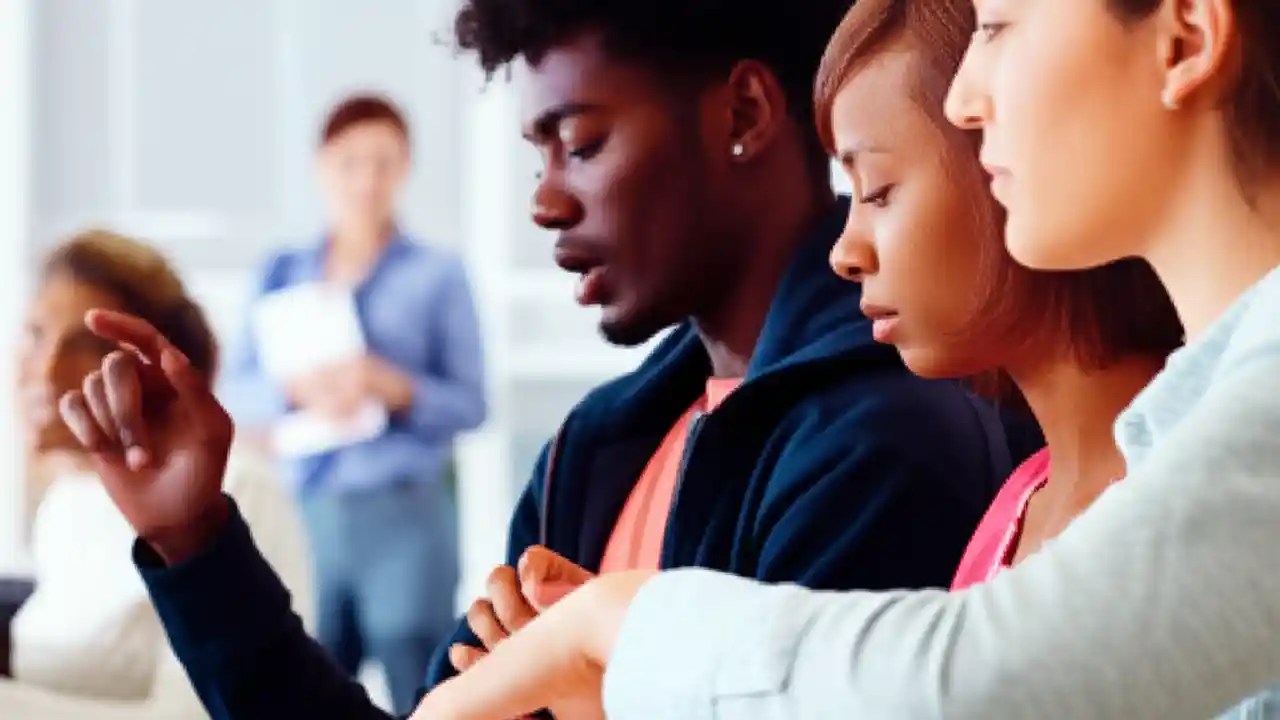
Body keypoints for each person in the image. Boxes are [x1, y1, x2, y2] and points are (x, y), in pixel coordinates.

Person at [49, 1, 1037, 718]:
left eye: (582, 143)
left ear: (741, 115)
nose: (546, 201)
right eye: (537, 156)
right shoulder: (601, 443)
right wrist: (195, 539)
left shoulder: (885, 440)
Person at [402, 0, 1280, 717]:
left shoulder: (893, 436)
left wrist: (608, 629)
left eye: (1002, 24)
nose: (969, 101)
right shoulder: (1172, 435)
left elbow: (983, 679)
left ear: (1186, 37)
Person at [219, 93, 486, 713]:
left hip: (405, 515)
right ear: (321, 167)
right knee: (300, 677)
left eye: (383, 163)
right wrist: (295, 390)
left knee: (419, 679)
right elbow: (237, 392)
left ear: (406, 168)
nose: (367, 180)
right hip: (307, 510)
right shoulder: (281, 273)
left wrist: (392, 386)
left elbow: (472, 404)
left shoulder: (439, 275)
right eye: (350, 163)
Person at [0, 231, 313, 719]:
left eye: (83, 345)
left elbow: (198, 714)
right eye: (36, 334)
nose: (46, 370)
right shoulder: (65, 503)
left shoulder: (234, 489)